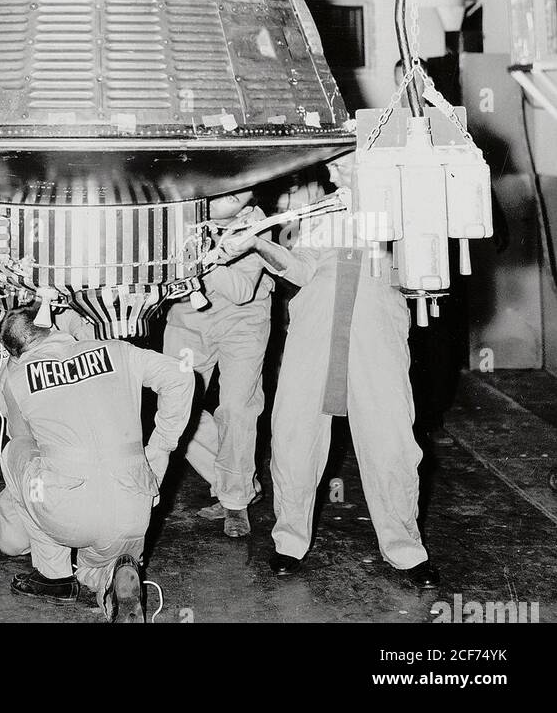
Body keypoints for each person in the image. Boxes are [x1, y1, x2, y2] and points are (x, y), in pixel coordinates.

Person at [245, 162, 439, 588]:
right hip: (316, 332)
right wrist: (258, 245)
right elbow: (299, 270)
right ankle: (289, 541)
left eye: (351, 160)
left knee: (392, 443)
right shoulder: (318, 215)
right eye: (336, 162)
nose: (340, 170)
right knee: (295, 435)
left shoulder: (402, 210)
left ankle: (406, 549)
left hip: (376, 336)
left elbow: (423, 269)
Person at [0, 299, 194, 623]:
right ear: (52, 325)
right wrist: (160, 448)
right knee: (100, 562)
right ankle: (112, 580)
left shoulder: (16, 379)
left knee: (15, 450)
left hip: (65, 513)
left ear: (15, 353)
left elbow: (23, 439)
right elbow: (181, 377)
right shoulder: (116, 349)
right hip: (135, 504)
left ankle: (54, 575)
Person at [161, 191, 273, 538]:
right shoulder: (175, 214)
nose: (228, 196)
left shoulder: (257, 223)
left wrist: (196, 260)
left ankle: (235, 501)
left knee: (237, 409)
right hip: (188, 319)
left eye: (238, 193)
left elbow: (240, 289)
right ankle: (234, 482)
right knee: (174, 408)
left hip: (244, 319)